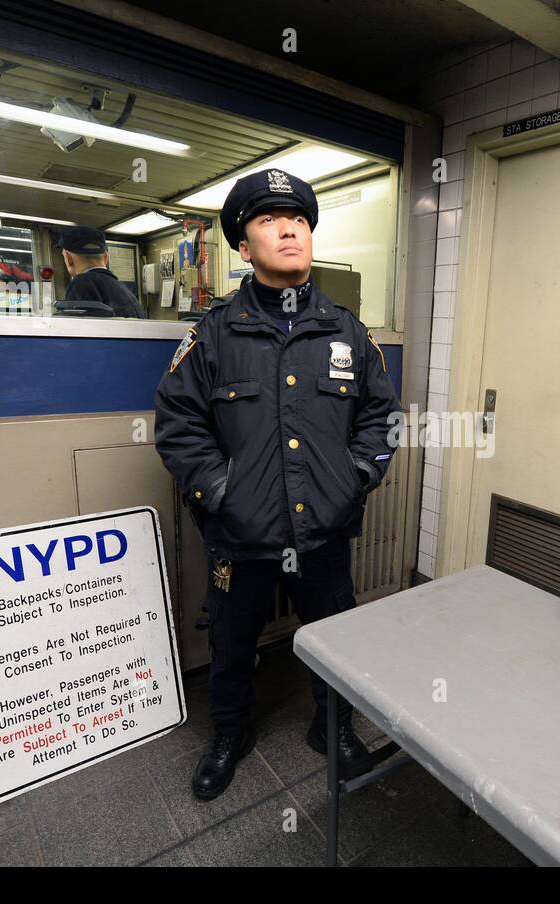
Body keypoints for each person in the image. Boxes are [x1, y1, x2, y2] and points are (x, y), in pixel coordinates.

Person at [154, 168, 400, 799]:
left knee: (334, 637)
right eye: (267, 220)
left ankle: (334, 727)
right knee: (233, 643)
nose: (288, 229)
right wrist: (222, 492)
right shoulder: (213, 336)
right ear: (243, 248)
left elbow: (380, 417)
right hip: (241, 533)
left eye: (299, 221)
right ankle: (230, 734)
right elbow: (180, 427)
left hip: (323, 528)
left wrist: (357, 476)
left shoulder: (346, 332)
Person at [54, 226, 146, 319]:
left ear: (69, 258)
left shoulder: (81, 284)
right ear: (106, 257)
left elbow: (78, 329)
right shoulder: (124, 290)